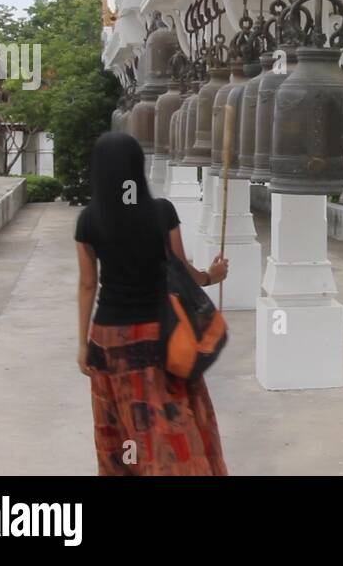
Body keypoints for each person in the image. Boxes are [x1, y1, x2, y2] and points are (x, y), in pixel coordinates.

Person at [75, 132, 229, 476]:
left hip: (108, 338)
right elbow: (182, 272)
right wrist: (212, 275)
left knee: (120, 429)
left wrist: (82, 343)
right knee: (167, 428)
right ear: (136, 167)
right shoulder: (161, 213)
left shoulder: (89, 219)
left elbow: (87, 284)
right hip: (160, 336)